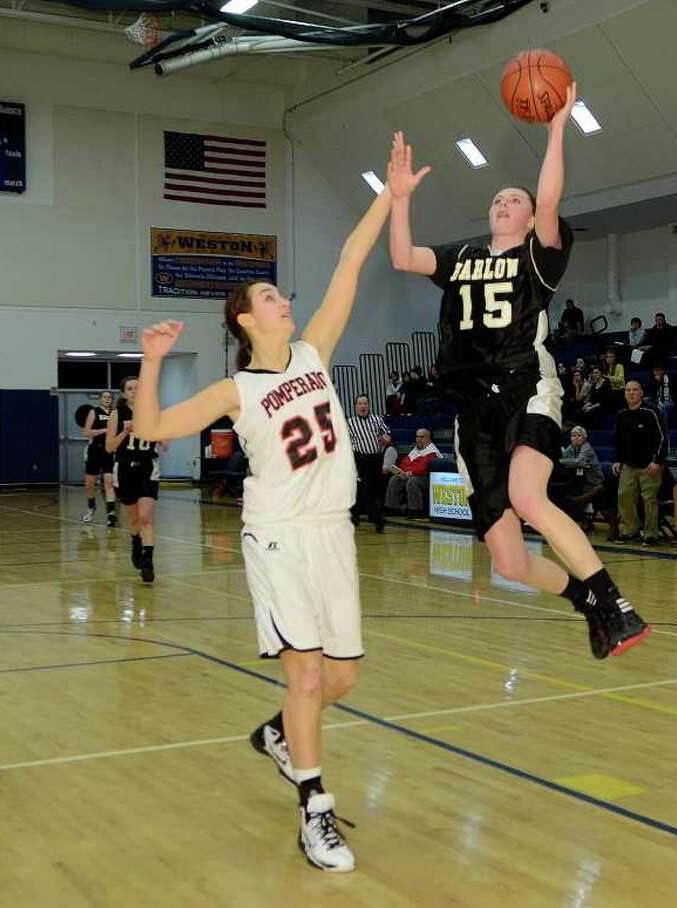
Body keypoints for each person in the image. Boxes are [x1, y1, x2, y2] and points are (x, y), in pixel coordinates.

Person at [131, 182, 393, 874]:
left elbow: (349, 263)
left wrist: (388, 198)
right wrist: (151, 362)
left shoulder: (313, 354)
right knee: (306, 678)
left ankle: (282, 735)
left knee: (342, 679)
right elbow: (152, 427)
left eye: (282, 294)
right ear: (246, 320)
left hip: (333, 531)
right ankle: (314, 810)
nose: (285, 301)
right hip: (278, 533)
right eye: (271, 296)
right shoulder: (233, 391)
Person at [388, 97, 648, 660]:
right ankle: (587, 604)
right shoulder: (461, 258)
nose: (505, 203)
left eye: (516, 200)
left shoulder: (538, 257)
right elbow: (403, 256)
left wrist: (556, 130)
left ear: (531, 219)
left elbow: (550, 195)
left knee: (528, 497)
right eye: (498, 199)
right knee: (508, 561)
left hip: (524, 383)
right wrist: (399, 199)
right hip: (470, 409)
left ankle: (615, 602)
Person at [106, 378, 166, 584]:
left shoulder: (153, 412)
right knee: (134, 519)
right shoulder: (117, 414)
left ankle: (148, 563)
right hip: (124, 468)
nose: (134, 391)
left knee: (146, 516)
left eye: (138, 388)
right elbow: (109, 447)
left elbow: (165, 444)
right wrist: (125, 430)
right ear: (124, 393)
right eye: (130, 389)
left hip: (148, 466)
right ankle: (135, 542)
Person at [611, 380, 667, 545]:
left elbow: (663, 438)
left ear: (641, 393)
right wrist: (617, 460)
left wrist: (657, 460)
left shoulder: (652, 412)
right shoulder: (621, 415)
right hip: (628, 464)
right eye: (628, 390)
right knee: (623, 496)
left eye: (635, 390)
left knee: (649, 499)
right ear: (624, 394)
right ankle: (630, 530)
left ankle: (651, 534)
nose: (631, 393)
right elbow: (618, 440)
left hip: (649, 464)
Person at [346, 393, 391, 532]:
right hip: (360, 458)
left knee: (371, 489)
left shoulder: (377, 419)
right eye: (360, 403)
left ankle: (355, 516)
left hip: (376, 458)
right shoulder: (350, 422)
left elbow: (387, 433)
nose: (363, 406)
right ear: (356, 406)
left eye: (365, 403)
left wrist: (386, 437)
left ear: (369, 405)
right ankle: (377, 519)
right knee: (367, 490)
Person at [554, 425, 604, 526]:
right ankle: (574, 519)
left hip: (594, 482)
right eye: (573, 435)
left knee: (572, 492)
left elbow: (579, 462)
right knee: (563, 490)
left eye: (579, 435)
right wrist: (564, 461)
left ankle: (579, 520)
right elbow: (562, 459)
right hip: (580, 479)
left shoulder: (587, 448)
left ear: (584, 438)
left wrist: (562, 461)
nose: (576, 438)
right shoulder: (571, 447)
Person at [81, 390, 118, 527]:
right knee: (89, 484)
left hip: (108, 451)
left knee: (108, 482)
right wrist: (103, 430)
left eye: (110, 397)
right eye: (105, 397)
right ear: (100, 399)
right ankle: (91, 506)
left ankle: (111, 513)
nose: (108, 399)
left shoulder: (115, 413)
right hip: (94, 450)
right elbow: (86, 432)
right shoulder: (94, 412)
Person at [384, 428, 440, 516]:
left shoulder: (432, 452)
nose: (418, 439)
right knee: (395, 479)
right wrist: (406, 472)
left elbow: (423, 468)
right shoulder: (415, 450)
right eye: (417, 437)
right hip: (412, 475)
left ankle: (416, 511)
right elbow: (403, 464)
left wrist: (411, 472)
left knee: (412, 481)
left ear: (428, 438)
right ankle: (392, 508)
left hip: (427, 478)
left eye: (421, 437)